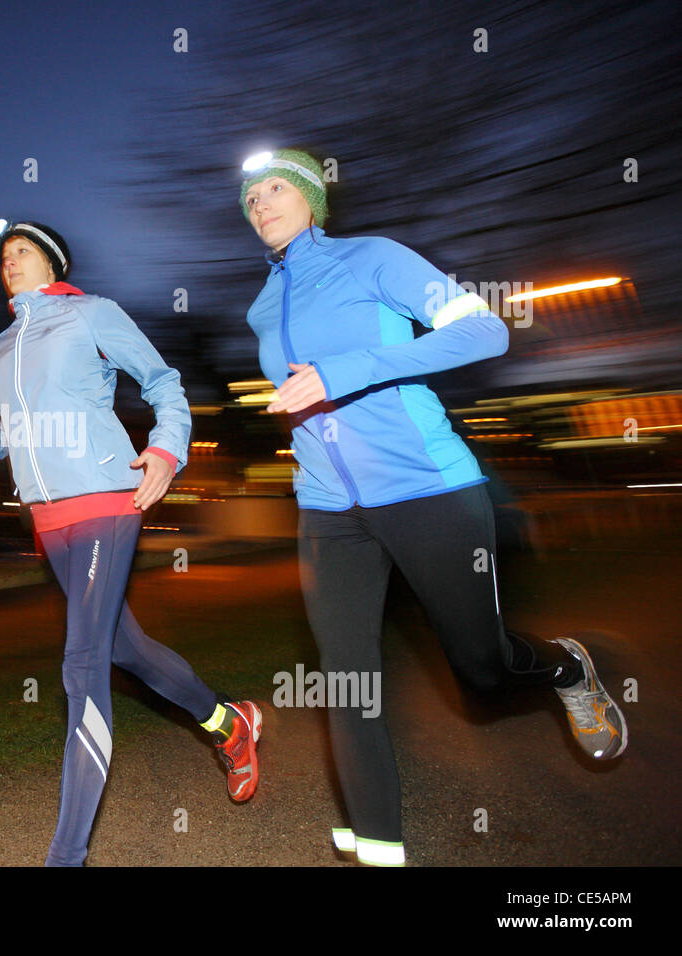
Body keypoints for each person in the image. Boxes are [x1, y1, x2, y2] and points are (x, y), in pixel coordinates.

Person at [237, 148, 628, 867]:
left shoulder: (373, 257)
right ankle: (379, 846)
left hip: (428, 489)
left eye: (275, 189)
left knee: (484, 671)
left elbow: (486, 330)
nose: (261, 204)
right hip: (329, 511)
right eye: (251, 197)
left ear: (311, 198)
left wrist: (344, 373)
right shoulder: (262, 304)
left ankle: (566, 669)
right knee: (345, 676)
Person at [0, 219, 262, 867]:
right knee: (125, 647)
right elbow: (18, 425)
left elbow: (163, 383)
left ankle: (66, 856)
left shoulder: (93, 315)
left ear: (53, 264)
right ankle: (230, 725)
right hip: (46, 518)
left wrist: (165, 449)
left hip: (106, 498)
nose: (9, 263)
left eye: (22, 252)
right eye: (3, 256)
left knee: (81, 666)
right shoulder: (0, 346)